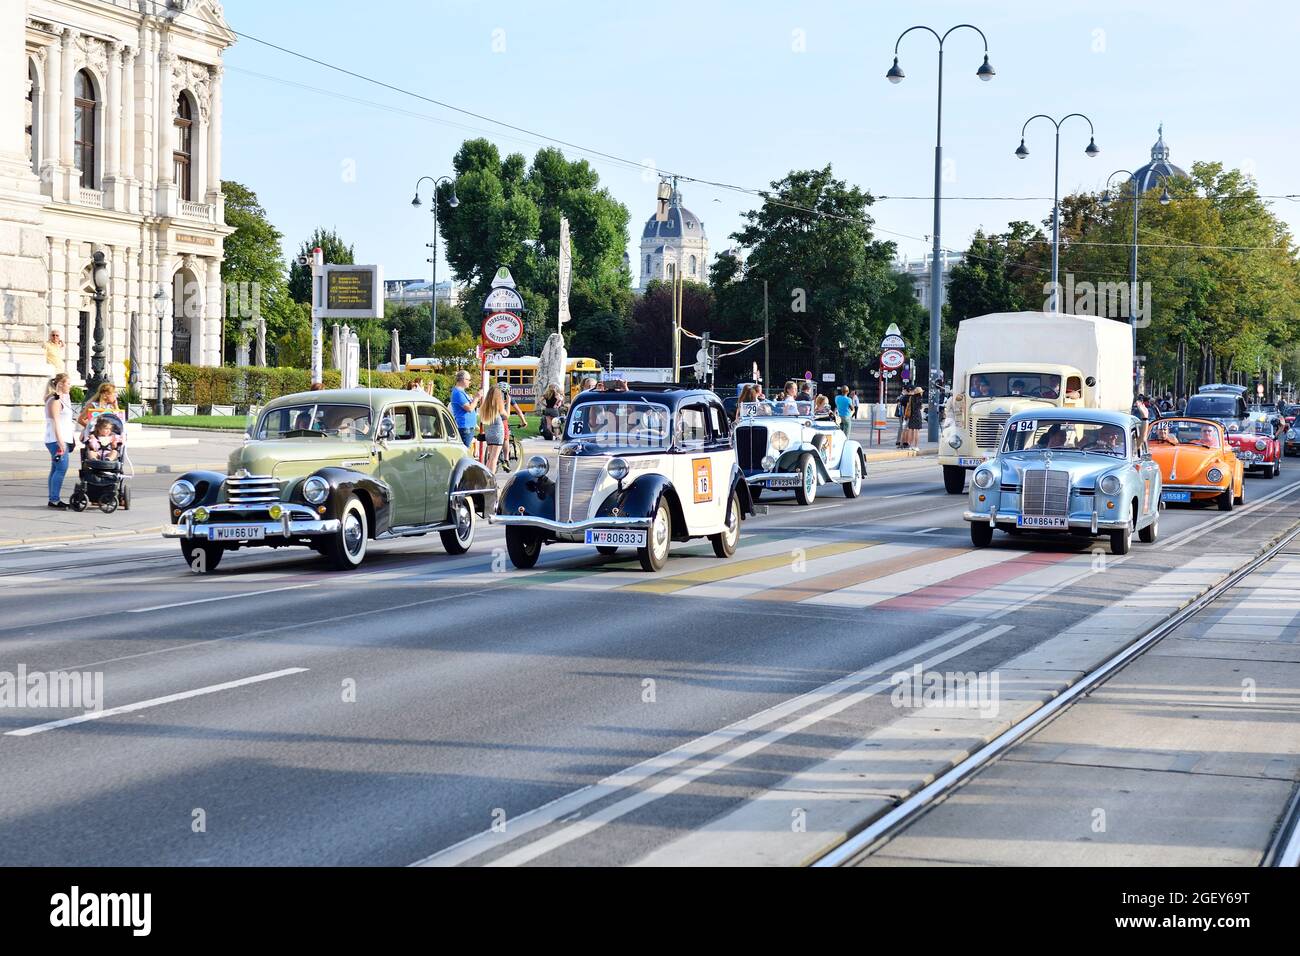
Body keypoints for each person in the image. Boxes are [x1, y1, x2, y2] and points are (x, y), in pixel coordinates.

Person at [44, 373, 73, 509]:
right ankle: (54, 499)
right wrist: (61, 442)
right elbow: (56, 421)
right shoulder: (55, 400)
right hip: (56, 440)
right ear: (60, 384)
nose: (70, 386)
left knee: (55, 469)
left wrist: (70, 438)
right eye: (68, 383)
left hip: (61, 438)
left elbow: (65, 421)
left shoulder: (63, 398)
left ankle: (53, 498)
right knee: (61, 468)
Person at [450, 370, 482, 447]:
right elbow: (469, 408)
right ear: (463, 379)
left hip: (468, 427)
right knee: (464, 453)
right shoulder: (458, 393)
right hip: (465, 427)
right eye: (468, 380)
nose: (470, 382)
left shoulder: (461, 392)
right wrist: (476, 398)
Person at [479, 385, 507, 472]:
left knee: (490, 458)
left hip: (489, 433)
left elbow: (482, 421)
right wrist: (508, 403)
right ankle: (491, 479)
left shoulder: (485, 407)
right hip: (498, 433)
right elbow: (506, 416)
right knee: (494, 459)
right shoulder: (498, 405)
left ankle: (485, 476)